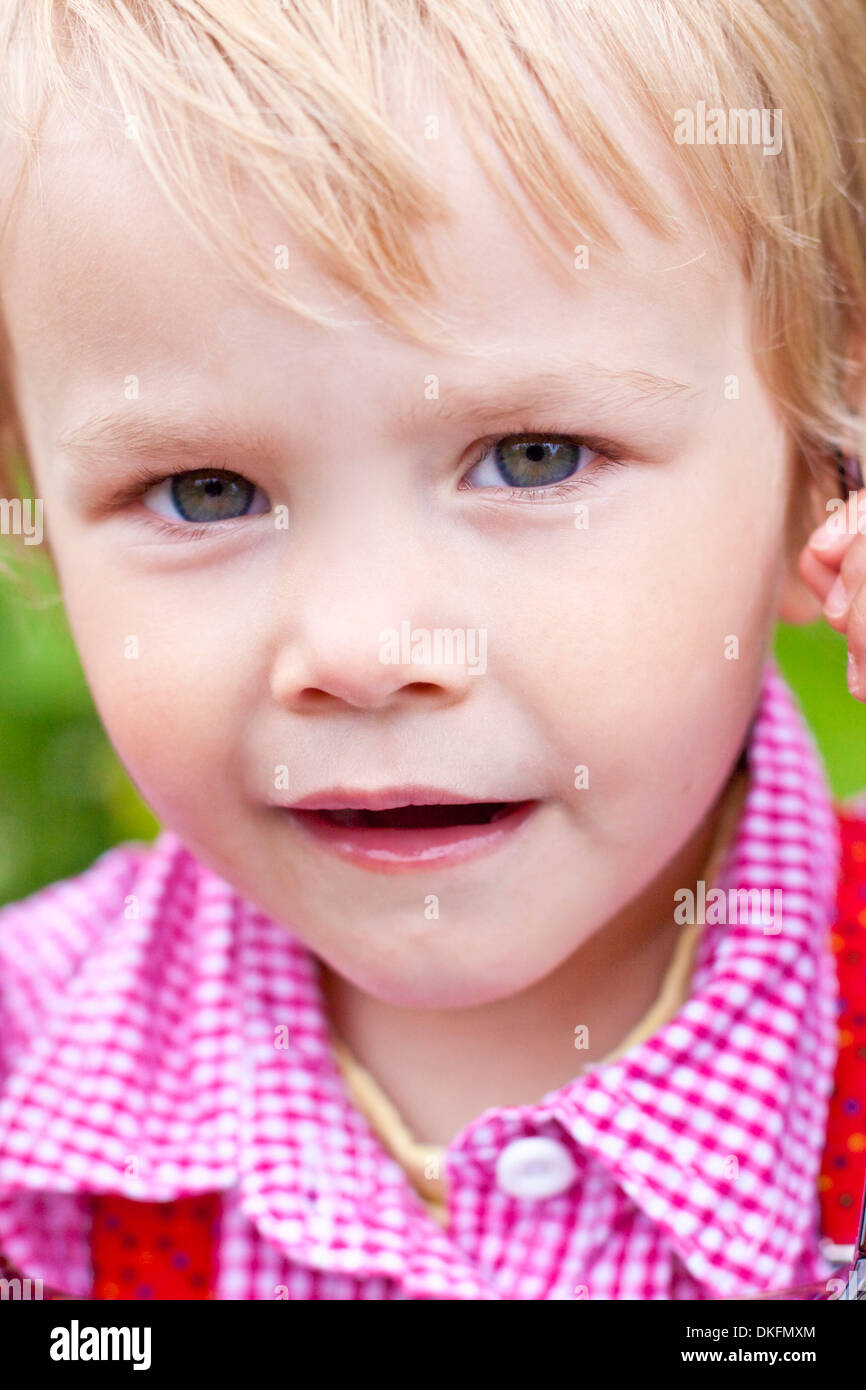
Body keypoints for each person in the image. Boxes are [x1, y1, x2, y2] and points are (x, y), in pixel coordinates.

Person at [0, 0, 864, 1300]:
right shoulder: (28, 1085)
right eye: (205, 492)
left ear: (824, 472)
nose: (362, 648)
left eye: (533, 459)